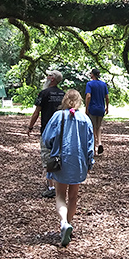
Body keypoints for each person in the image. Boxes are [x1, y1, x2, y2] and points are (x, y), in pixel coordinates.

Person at [42, 89, 94, 246]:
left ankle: (64, 223)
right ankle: (68, 224)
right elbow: (90, 145)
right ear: (79, 101)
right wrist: (90, 163)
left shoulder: (58, 116)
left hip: (61, 161)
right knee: (73, 196)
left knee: (59, 195)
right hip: (78, 162)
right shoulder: (85, 119)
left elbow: (46, 139)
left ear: (64, 100)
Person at [27, 70, 65, 198]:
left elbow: (37, 112)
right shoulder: (63, 94)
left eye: (49, 75)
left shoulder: (44, 93)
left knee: (48, 157)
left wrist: (30, 127)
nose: (46, 77)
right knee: (60, 156)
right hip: (62, 131)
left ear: (52, 79)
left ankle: (51, 187)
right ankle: (61, 184)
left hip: (47, 131)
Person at [85, 68, 109, 155]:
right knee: (98, 127)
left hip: (93, 108)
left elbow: (88, 96)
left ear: (93, 75)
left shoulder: (89, 84)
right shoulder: (103, 84)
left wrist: (86, 108)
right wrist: (107, 107)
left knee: (92, 128)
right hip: (101, 108)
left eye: (91, 74)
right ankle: (99, 143)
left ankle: (94, 148)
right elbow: (107, 97)